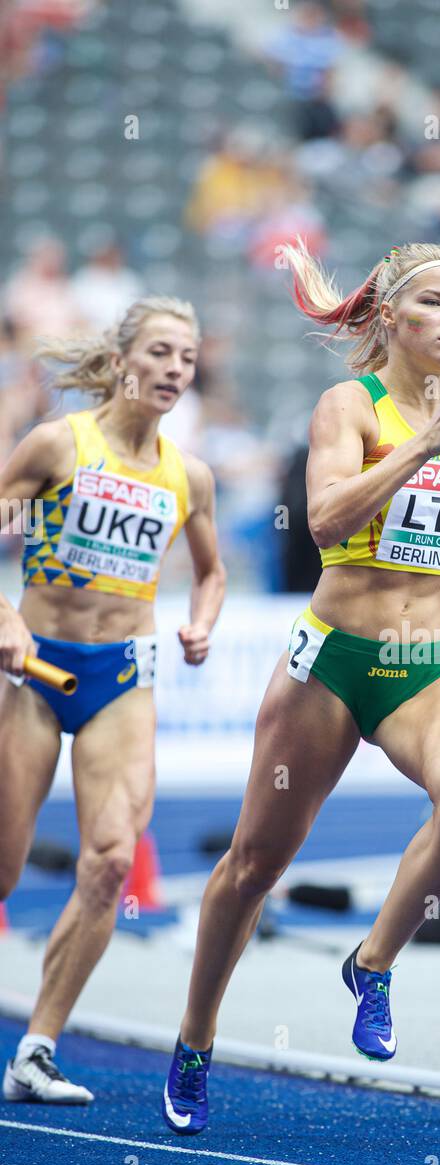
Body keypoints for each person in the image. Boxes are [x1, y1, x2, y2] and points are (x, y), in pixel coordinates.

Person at [161, 242, 440, 1135]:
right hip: (336, 659)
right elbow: (324, 520)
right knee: (253, 867)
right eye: (436, 303)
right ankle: (196, 1039)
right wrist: (420, 447)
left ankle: (375, 962)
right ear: (391, 316)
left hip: (426, 662)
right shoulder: (348, 406)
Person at [0, 296, 226, 1104]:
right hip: (35, 670)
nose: (174, 369)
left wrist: (200, 623)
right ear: (123, 358)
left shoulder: (186, 474)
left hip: (123, 676)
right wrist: (4, 618)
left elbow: (210, 571)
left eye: (187, 359)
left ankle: (36, 1049)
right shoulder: (61, 444)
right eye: (161, 352)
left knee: (109, 861)